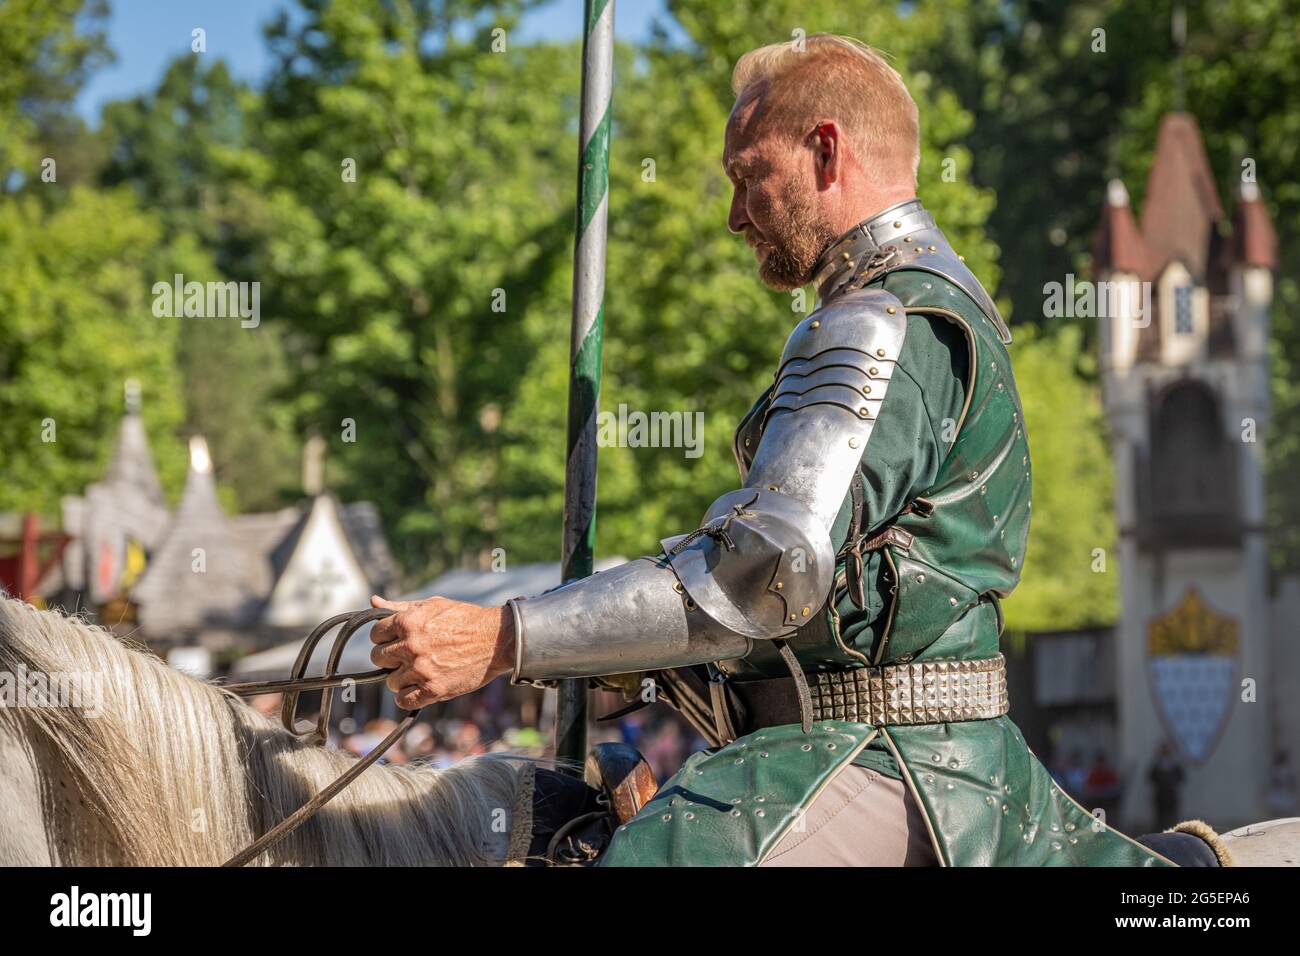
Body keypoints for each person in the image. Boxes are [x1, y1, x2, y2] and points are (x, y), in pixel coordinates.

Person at [367, 33, 1170, 867]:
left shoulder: (885, 320)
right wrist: (632, 662)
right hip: (835, 746)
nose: (734, 215)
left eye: (749, 176)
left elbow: (756, 574)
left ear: (826, 150)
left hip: (899, 757)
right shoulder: (893, 306)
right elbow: (829, 601)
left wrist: (504, 637)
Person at [1148, 740, 1185, 830]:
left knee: (1171, 818)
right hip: (1160, 796)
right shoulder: (1157, 765)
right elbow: (1151, 777)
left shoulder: (1174, 765)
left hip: (1171, 795)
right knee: (1160, 819)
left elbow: (1181, 777)